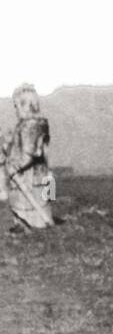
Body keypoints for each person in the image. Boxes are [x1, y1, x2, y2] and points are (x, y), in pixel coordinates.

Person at [3, 83, 54, 229]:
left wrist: (15, 167)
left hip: (29, 176)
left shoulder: (30, 125)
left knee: (29, 203)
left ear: (27, 105)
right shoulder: (38, 123)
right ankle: (27, 224)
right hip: (37, 174)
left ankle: (33, 224)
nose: (16, 110)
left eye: (17, 105)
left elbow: (28, 153)